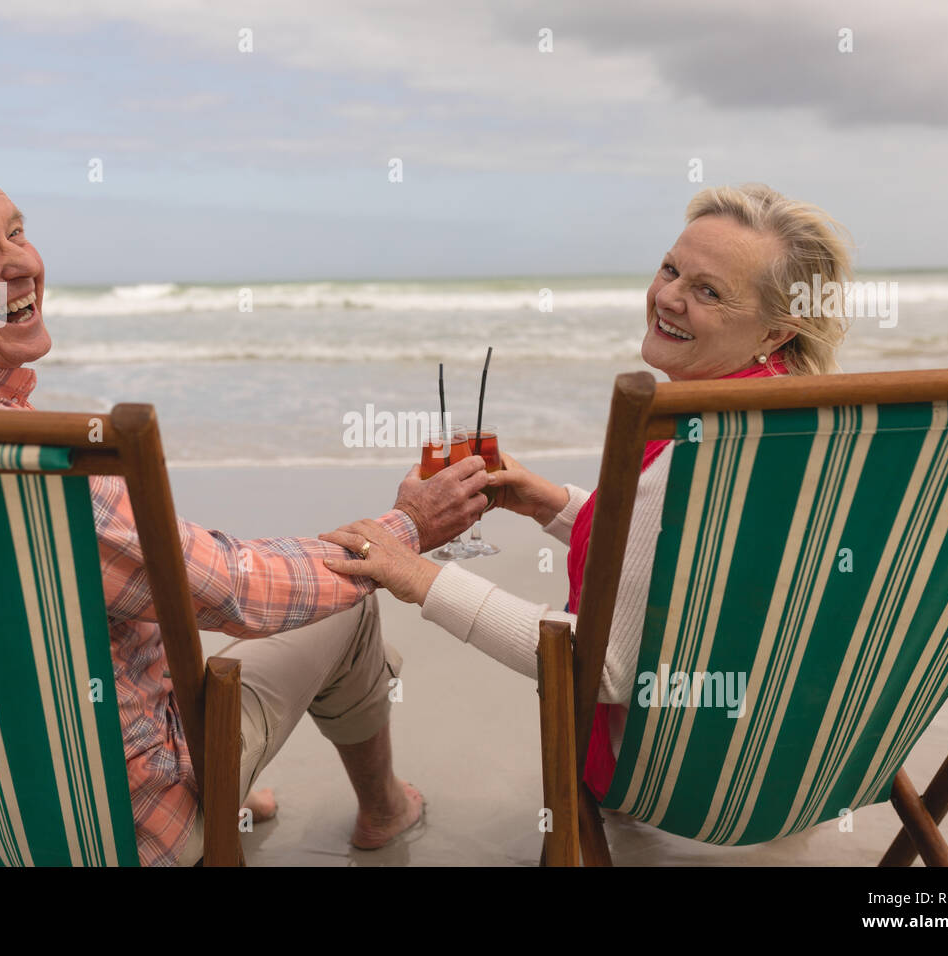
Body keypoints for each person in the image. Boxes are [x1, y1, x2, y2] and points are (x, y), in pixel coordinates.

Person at [0, 150, 491, 865]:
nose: (24, 264)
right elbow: (235, 592)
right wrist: (405, 532)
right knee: (352, 601)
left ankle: (241, 783)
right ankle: (383, 810)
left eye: (17, 232)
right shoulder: (29, 466)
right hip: (120, 819)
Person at [321, 183, 854, 808]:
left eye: (709, 291)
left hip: (681, 778)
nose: (669, 298)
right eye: (670, 269)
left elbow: (601, 667)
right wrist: (552, 503)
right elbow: (680, 561)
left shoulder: (698, 450)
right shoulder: (803, 427)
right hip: (801, 759)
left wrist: (416, 576)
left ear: (775, 331)